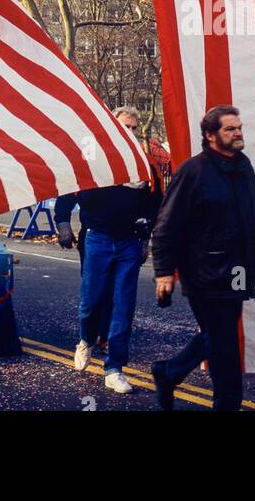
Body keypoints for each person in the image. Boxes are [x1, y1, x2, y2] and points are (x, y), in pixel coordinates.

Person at [150, 105, 255, 413]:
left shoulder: (243, 167)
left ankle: (168, 373)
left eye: (239, 127)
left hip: (239, 269)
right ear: (210, 135)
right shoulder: (194, 171)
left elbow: (250, 217)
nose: (238, 133)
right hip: (204, 270)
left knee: (220, 336)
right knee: (225, 345)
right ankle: (227, 405)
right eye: (230, 129)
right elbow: (166, 225)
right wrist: (164, 272)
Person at [69, 105, 162, 394]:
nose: (130, 132)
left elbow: (156, 202)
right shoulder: (97, 160)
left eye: (134, 128)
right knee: (91, 301)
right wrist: (64, 222)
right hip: (98, 238)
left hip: (129, 243)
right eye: (125, 127)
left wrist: (146, 236)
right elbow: (75, 191)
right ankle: (86, 339)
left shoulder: (146, 164)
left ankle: (114, 368)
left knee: (123, 305)